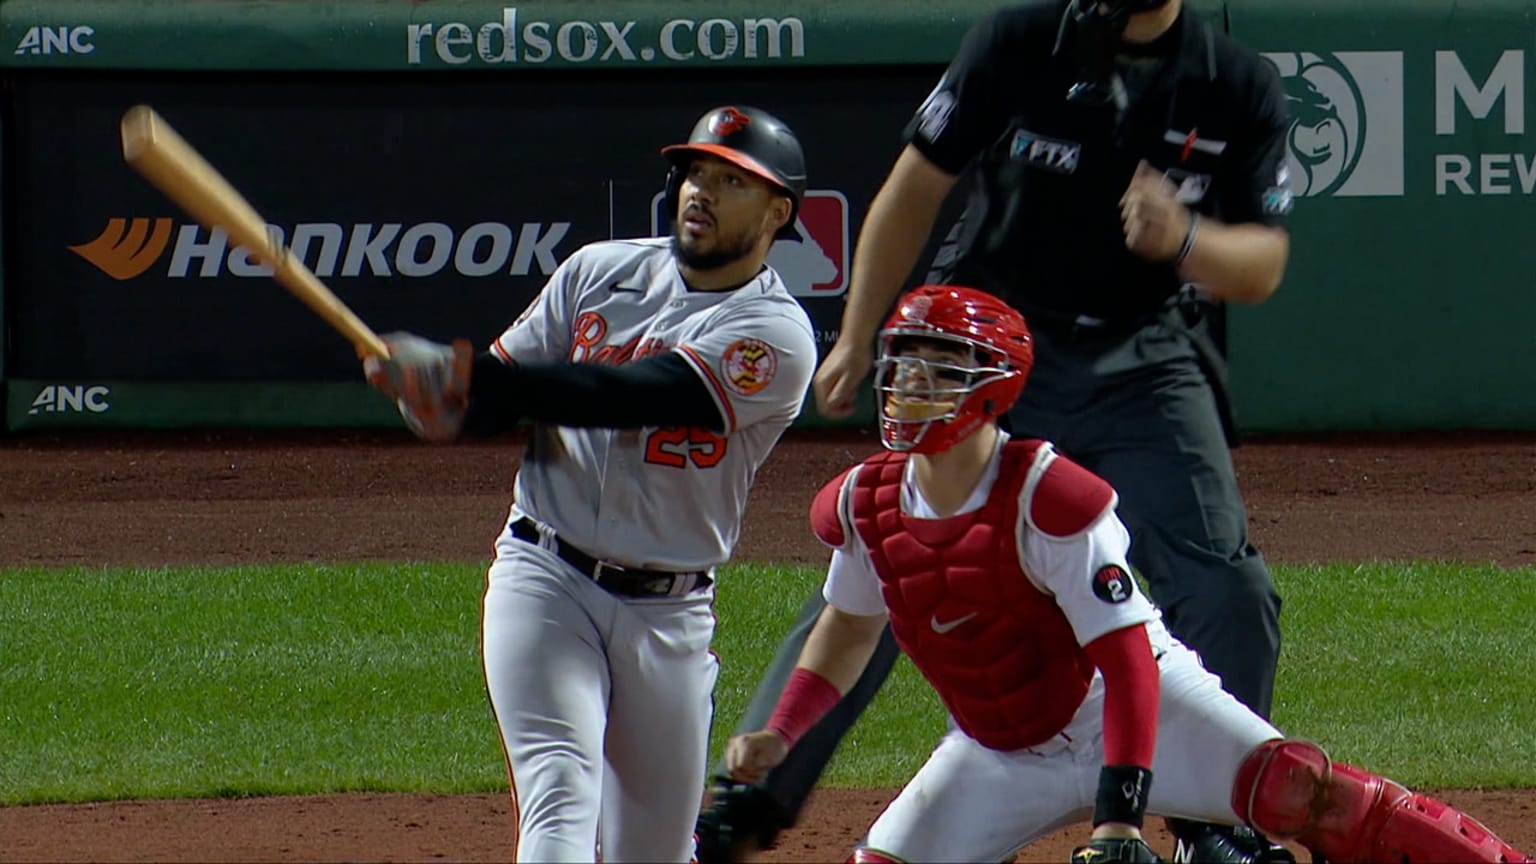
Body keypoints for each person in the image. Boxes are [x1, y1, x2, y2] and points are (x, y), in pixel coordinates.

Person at [697, 1, 1298, 860]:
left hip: (1144, 358)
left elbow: (1264, 264)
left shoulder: (1237, 84)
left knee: (1228, 588)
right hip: (991, 348)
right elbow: (916, 184)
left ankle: (1215, 828)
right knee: (895, 553)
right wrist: (862, 335)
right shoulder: (1022, 38)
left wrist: (1186, 237)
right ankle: (758, 786)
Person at [722, 284, 1533, 864]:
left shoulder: (1051, 498)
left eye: (941, 369)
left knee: (1304, 796)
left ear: (992, 387)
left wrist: (1121, 816)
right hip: (996, 749)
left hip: (1132, 704)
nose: (909, 386)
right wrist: (782, 730)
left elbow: (1125, 662)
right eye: (903, 365)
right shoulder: (864, 504)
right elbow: (848, 626)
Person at [361, 104, 818, 863]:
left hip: (668, 619)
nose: (700, 192)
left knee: (655, 853)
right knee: (562, 791)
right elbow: (501, 396)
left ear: (777, 212)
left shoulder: (774, 336)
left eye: (730, 181)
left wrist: (468, 375)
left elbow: (632, 395)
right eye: (696, 173)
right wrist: (441, 399)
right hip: (547, 577)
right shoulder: (598, 271)